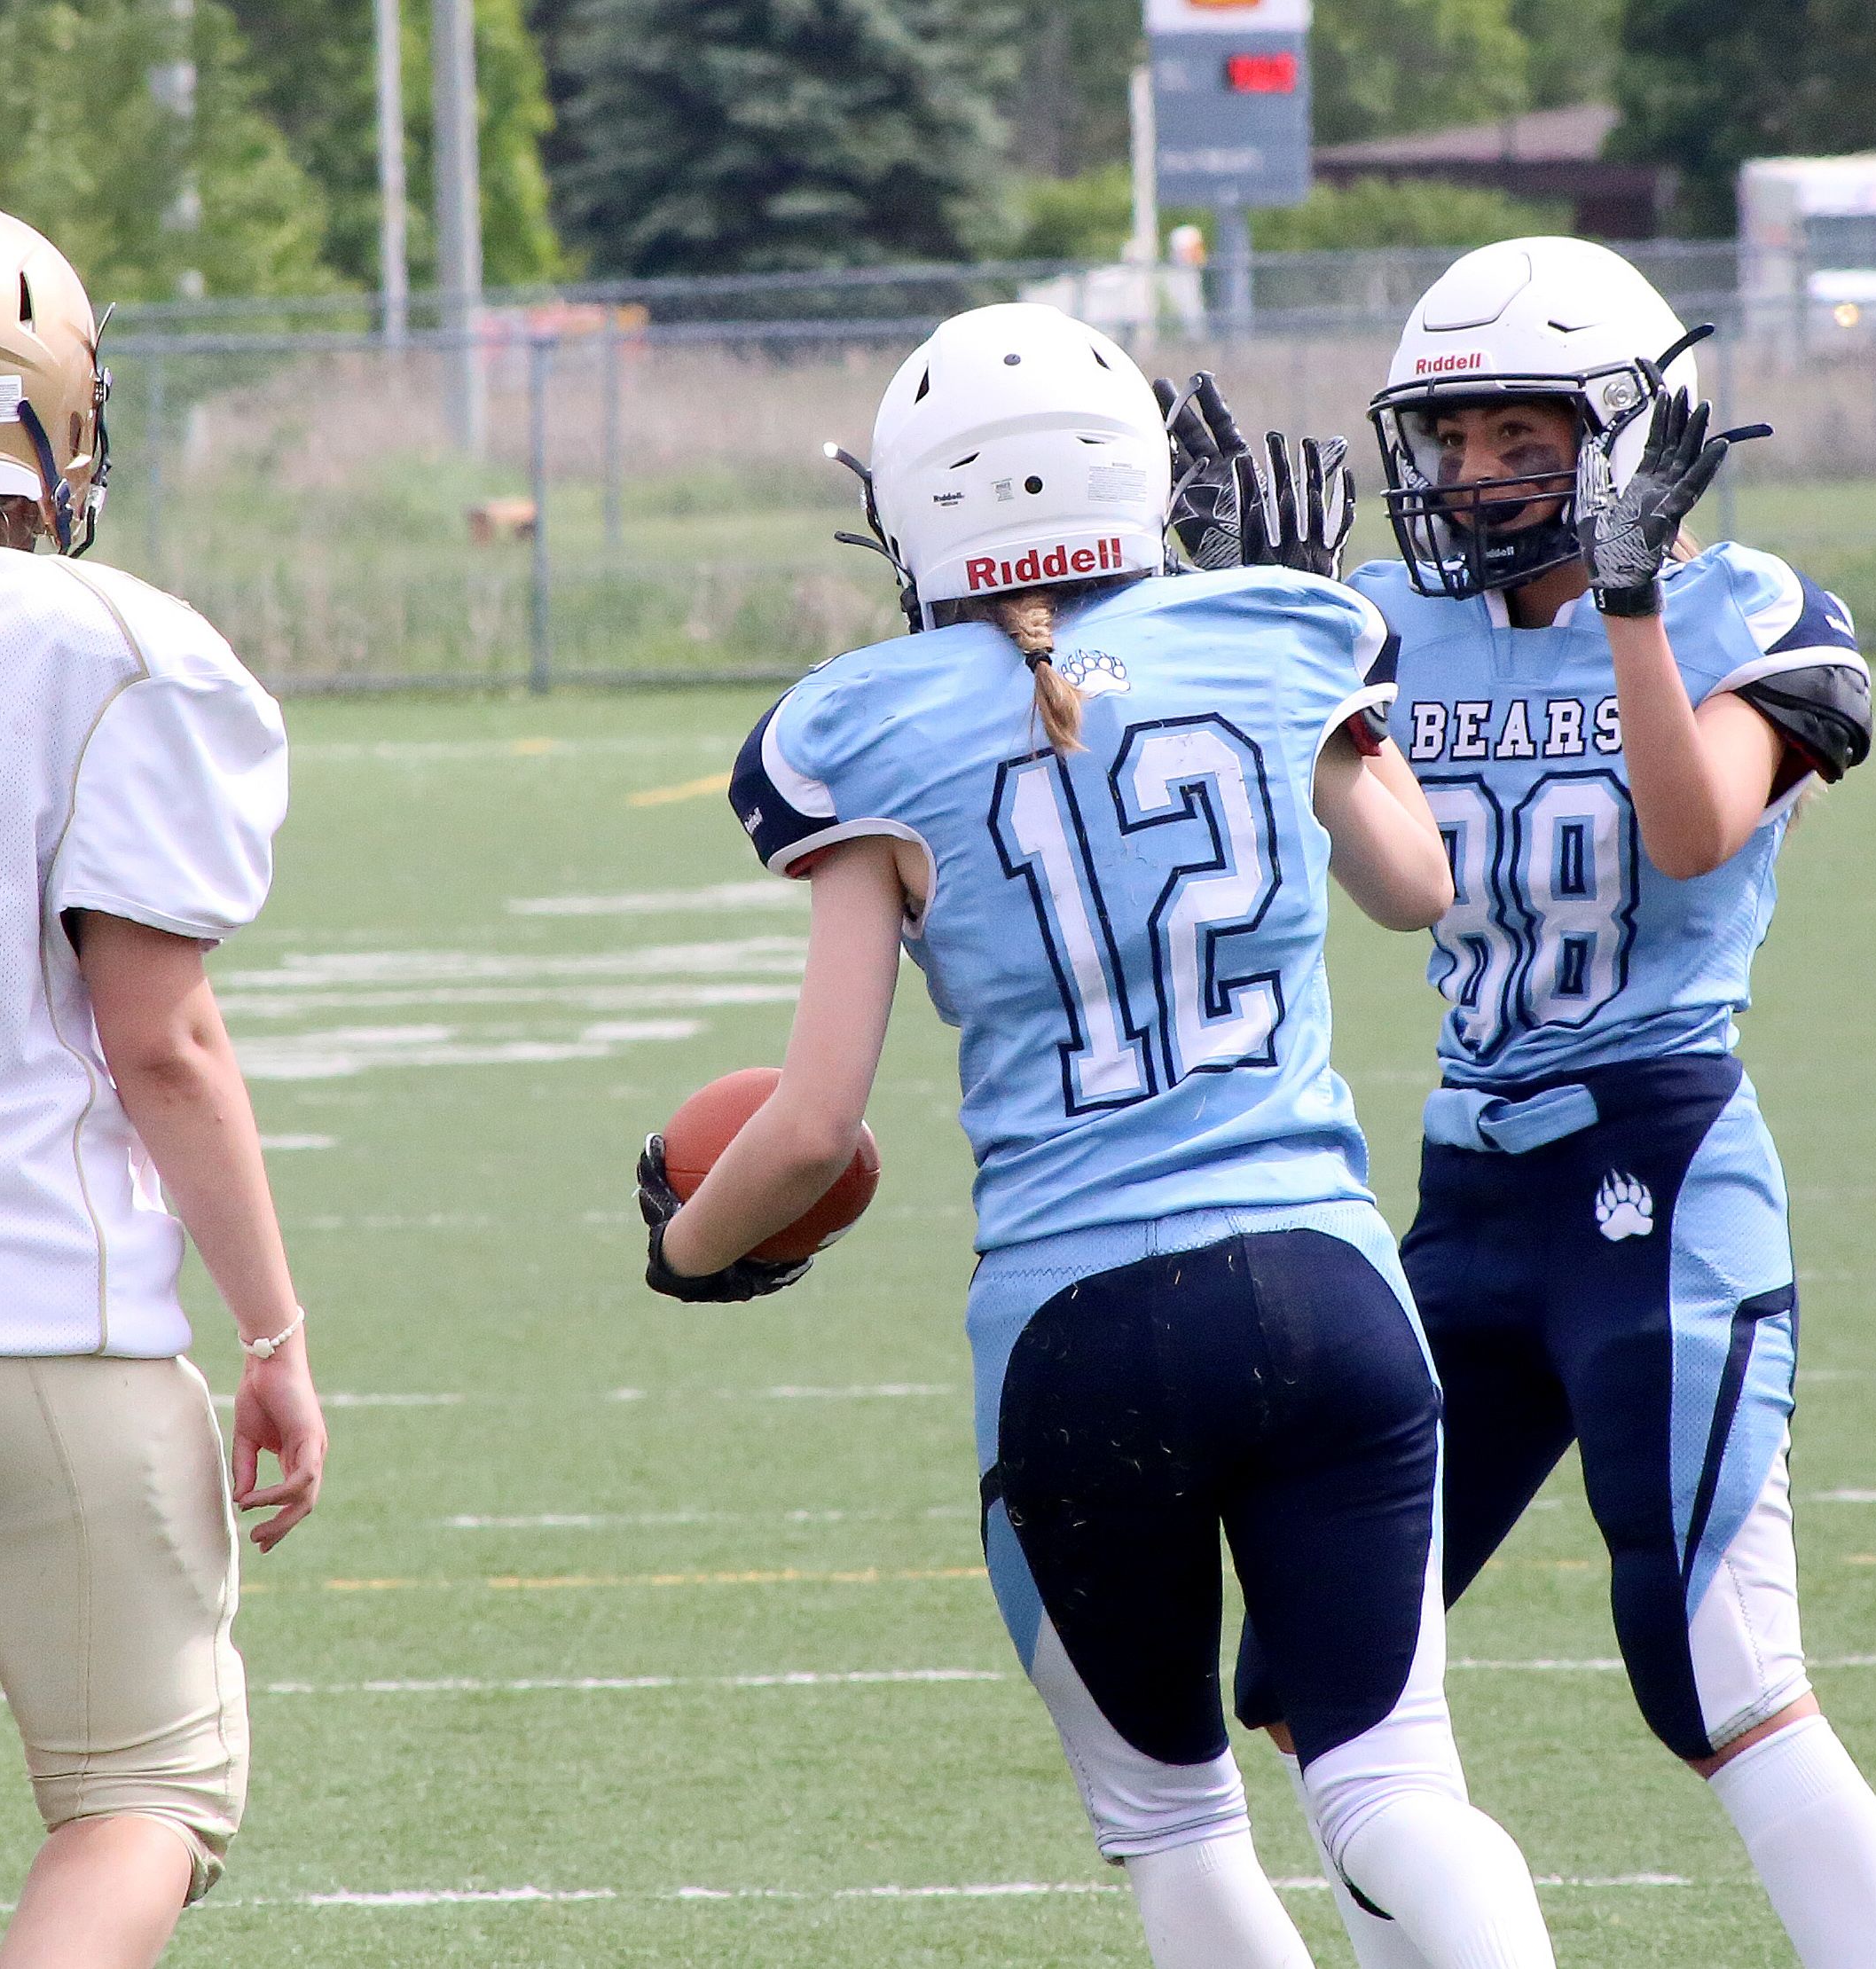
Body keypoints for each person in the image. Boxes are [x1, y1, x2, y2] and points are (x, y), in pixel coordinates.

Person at [640, 301, 1560, 1969]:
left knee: (1178, 1831)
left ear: (917, 514)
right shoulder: (1281, 629)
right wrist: (1274, 637)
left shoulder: (862, 724)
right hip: (1330, 1287)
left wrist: (684, 1251)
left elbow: (809, 1126)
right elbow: (1419, 889)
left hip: (1079, 1333)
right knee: (1394, 1788)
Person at [1218, 236, 1876, 1969]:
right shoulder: (1406, 622)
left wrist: (1622, 605)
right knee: (1320, 1675)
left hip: (1655, 1175)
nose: (1467, 475)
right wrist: (1268, 645)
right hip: (1467, 1191)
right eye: (1449, 438)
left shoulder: (1749, 609)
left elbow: (1690, 838)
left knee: (1719, 1676)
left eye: (1516, 435)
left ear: (1621, 434)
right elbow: (1370, 866)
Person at [0, 202, 326, 1969]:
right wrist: (272, 1333)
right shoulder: (120, 646)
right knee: (134, 1800)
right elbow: (158, 1037)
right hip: (42, 1319)